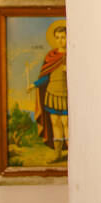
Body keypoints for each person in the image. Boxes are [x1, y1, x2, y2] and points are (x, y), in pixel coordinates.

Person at [31, 21, 67, 162]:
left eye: (63, 37)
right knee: (55, 123)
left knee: (67, 123)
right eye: (57, 37)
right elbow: (45, 76)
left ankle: (71, 153)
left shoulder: (73, 54)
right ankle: (57, 154)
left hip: (66, 95)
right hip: (52, 94)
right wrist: (35, 84)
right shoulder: (51, 55)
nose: (60, 40)